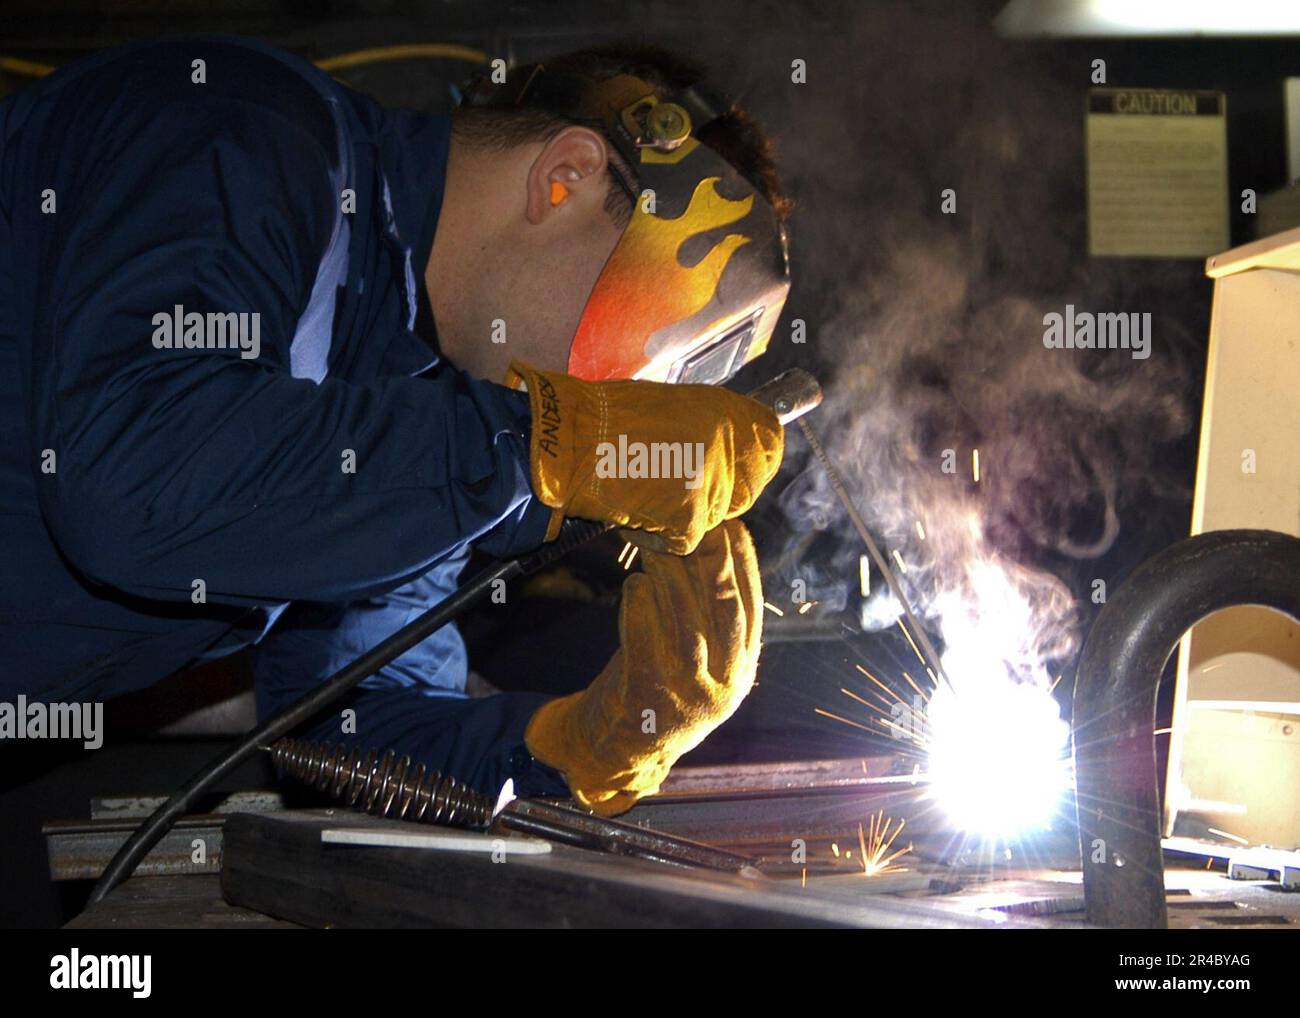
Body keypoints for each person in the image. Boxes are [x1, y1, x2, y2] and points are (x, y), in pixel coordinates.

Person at [0, 35, 793, 814]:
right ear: (566, 177)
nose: (633, 397)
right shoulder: (242, 131)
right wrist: (542, 445)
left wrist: (580, 742)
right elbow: (134, 474)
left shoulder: (420, 396)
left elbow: (349, 715)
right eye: (652, 352)